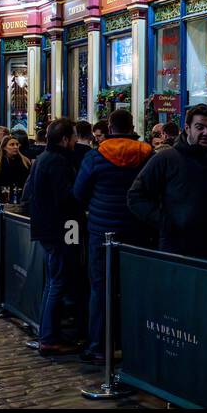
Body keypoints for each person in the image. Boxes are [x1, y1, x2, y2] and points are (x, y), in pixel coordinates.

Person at [73, 108, 153, 363]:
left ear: (109, 126)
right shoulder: (147, 154)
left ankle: (98, 345)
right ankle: (134, 344)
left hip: (102, 230)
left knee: (100, 288)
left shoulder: (95, 158)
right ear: (132, 126)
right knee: (134, 289)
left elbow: (79, 192)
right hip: (137, 230)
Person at [128, 104, 207, 261]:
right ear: (187, 128)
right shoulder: (166, 159)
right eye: (199, 127)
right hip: (177, 251)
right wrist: (166, 223)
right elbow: (136, 196)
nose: (206, 132)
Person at [23, 118, 84, 356]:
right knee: (58, 281)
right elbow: (66, 199)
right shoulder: (58, 161)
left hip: (49, 228)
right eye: (74, 136)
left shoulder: (43, 159)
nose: (76, 141)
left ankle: (46, 333)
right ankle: (49, 337)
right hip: (61, 229)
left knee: (53, 281)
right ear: (65, 139)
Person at [0, 135, 32, 202]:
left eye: (17, 144)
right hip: (0, 200)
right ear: (4, 147)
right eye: (12, 145)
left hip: (21, 200)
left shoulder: (25, 162)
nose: (15, 147)